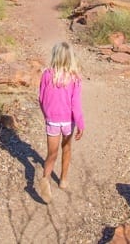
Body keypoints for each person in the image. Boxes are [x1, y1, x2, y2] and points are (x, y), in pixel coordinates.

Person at [37, 41, 85, 203]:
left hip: (52, 120)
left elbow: (41, 99)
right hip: (68, 121)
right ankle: (63, 179)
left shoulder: (46, 75)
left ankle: (46, 179)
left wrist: (46, 115)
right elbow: (76, 105)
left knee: (52, 153)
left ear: (55, 56)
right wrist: (80, 123)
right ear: (70, 58)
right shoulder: (75, 78)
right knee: (67, 148)